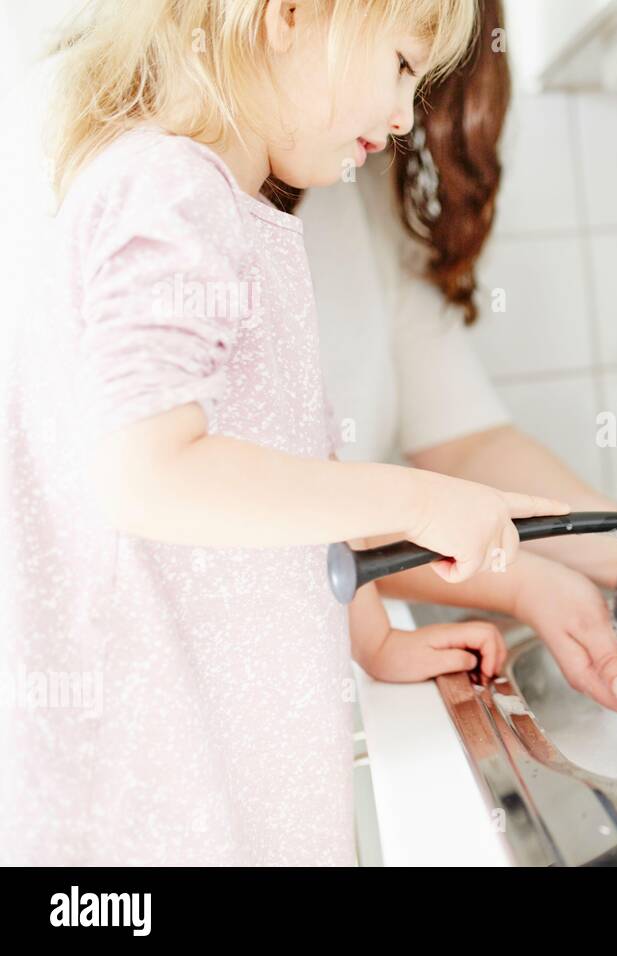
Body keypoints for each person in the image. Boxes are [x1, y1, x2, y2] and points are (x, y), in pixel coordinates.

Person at [0, 0, 572, 865]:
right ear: (291, 14)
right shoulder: (166, 191)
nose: (406, 116)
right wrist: (417, 498)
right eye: (403, 66)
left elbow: (284, 469)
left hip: (216, 783)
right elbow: (149, 474)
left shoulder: (221, 209)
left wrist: (372, 637)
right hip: (144, 807)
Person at [288, 0, 617, 714]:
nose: (402, 122)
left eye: (415, 80)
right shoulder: (181, 202)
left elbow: (464, 441)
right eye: (400, 66)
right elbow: (269, 494)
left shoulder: (348, 182)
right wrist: (519, 580)